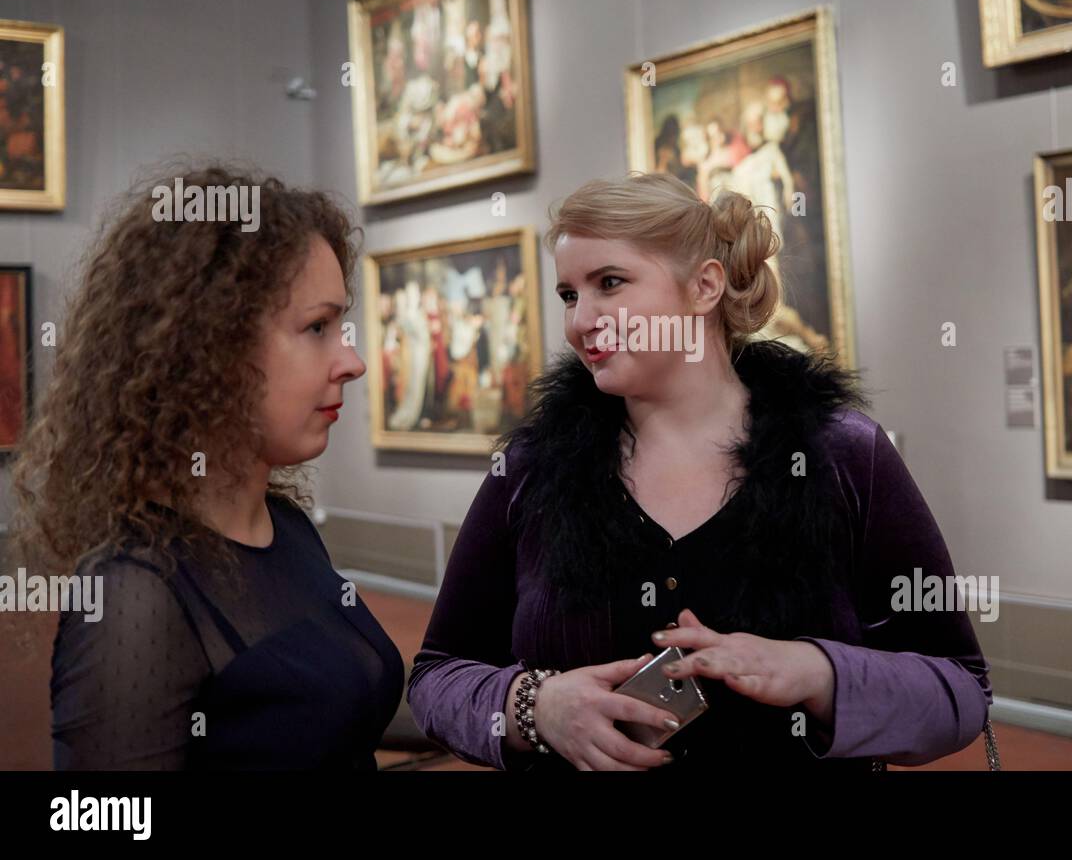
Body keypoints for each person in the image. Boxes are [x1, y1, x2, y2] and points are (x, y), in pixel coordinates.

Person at [408, 171, 992, 771]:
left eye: (610, 282)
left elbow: (958, 690)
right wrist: (533, 706)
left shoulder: (841, 455)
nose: (582, 320)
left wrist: (819, 673)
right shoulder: (531, 469)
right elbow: (437, 675)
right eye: (568, 295)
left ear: (705, 286)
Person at [7, 163, 404, 769]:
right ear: (210, 348)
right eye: (317, 327)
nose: (351, 361)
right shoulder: (134, 595)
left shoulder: (286, 526)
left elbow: (335, 698)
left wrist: (511, 710)